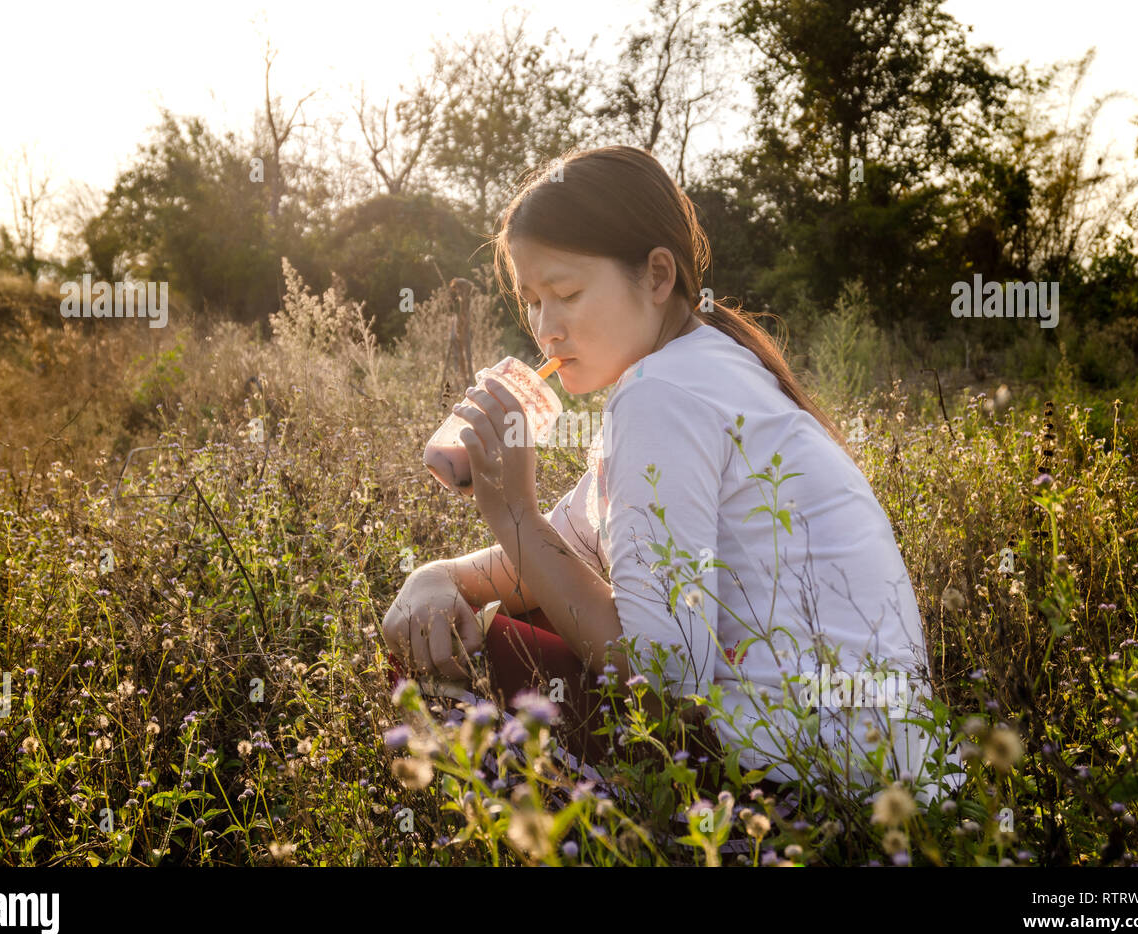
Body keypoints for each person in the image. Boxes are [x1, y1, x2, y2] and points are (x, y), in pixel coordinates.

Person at [383, 144, 955, 800]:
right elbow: (550, 557)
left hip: (803, 797)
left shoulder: (662, 393)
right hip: (900, 791)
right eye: (531, 301)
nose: (546, 328)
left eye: (565, 293)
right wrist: (436, 576)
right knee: (484, 609)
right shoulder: (699, 368)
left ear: (658, 276)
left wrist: (513, 510)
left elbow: (662, 680)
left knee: (467, 644)